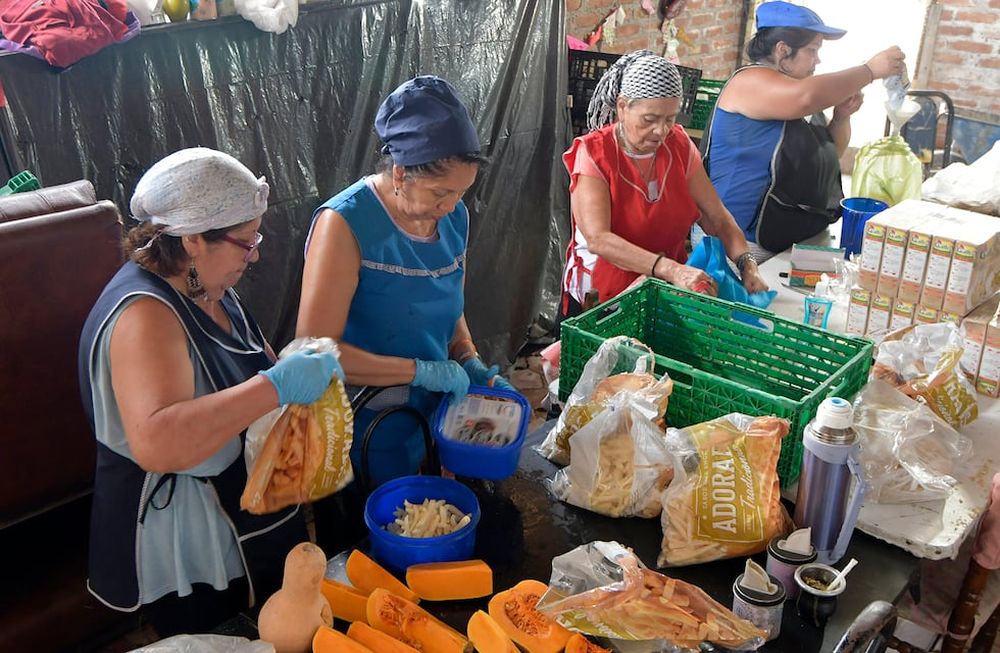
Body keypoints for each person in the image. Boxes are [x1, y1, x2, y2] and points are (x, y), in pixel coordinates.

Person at [78, 148, 342, 636]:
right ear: (194, 238)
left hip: (244, 506)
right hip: (189, 540)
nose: (255, 253)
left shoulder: (209, 286)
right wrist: (275, 385)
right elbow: (158, 442)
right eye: (246, 241)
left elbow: (255, 366)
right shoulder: (145, 314)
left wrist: (297, 368)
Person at [297, 76, 513, 546]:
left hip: (430, 416)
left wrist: (466, 356)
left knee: (431, 527)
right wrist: (420, 371)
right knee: (372, 543)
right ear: (400, 174)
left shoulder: (452, 217)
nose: (451, 206)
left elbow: (449, 302)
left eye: (462, 193)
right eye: (440, 193)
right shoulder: (345, 225)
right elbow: (313, 352)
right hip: (361, 425)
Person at [561, 49, 768, 319]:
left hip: (664, 286)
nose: (661, 131)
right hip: (604, 292)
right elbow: (599, 240)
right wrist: (671, 269)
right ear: (622, 107)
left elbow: (716, 216)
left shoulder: (678, 145)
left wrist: (747, 264)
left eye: (670, 119)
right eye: (649, 119)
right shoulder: (594, 153)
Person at [699, 1, 906, 260]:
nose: (818, 60)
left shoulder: (793, 91)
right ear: (783, 50)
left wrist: (841, 117)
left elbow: (829, 154)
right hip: (737, 238)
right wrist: (869, 71)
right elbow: (806, 97)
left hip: (780, 232)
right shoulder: (749, 82)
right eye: (812, 50)